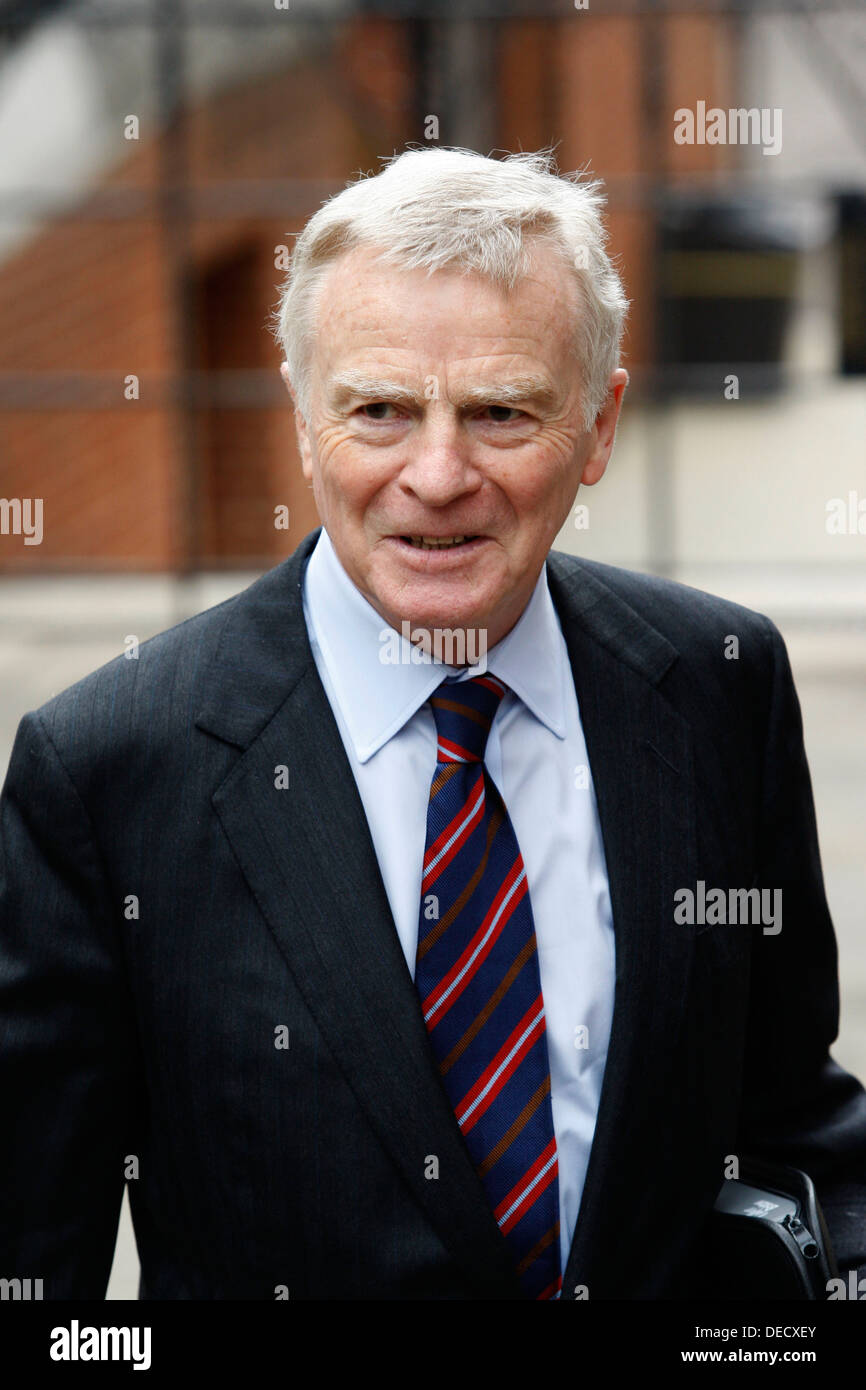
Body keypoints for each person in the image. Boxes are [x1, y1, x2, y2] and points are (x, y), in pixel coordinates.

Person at [2, 148, 865, 1301]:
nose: (438, 472)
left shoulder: (717, 682)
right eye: (380, 411)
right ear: (305, 419)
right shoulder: (106, 768)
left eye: (501, 411)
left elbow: (790, 1116)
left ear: (598, 426)